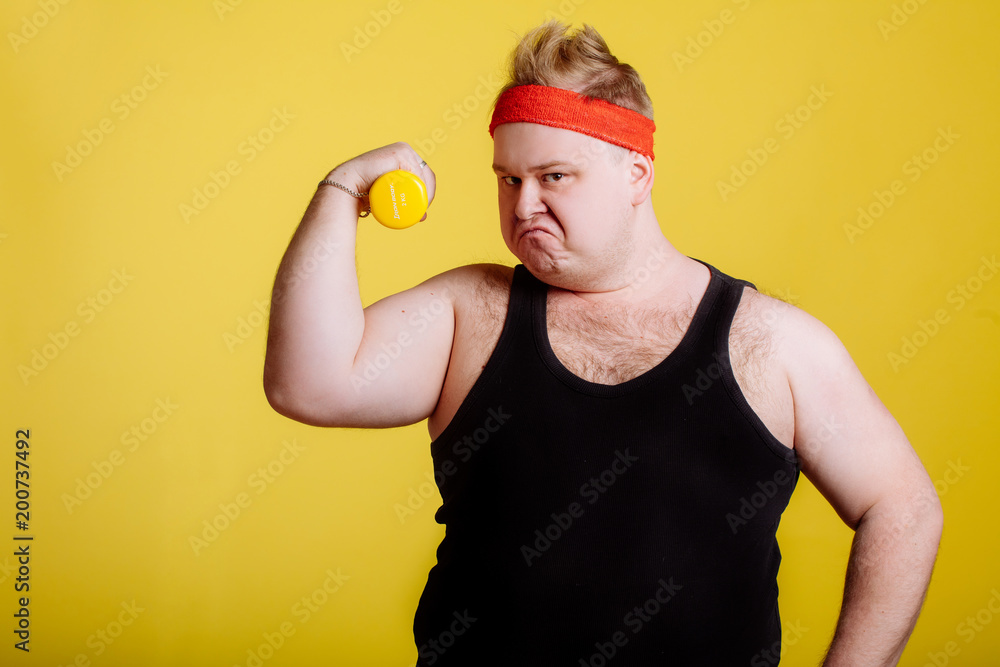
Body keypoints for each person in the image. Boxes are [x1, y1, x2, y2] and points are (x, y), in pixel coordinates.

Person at [263, 21, 942, 666]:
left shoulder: (772, 341)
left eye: (554, 176)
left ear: (637, 174)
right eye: (509, 178)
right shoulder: (468, 311)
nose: (524, 203)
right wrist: (342, 189)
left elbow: (902, 507)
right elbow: (307, 382)